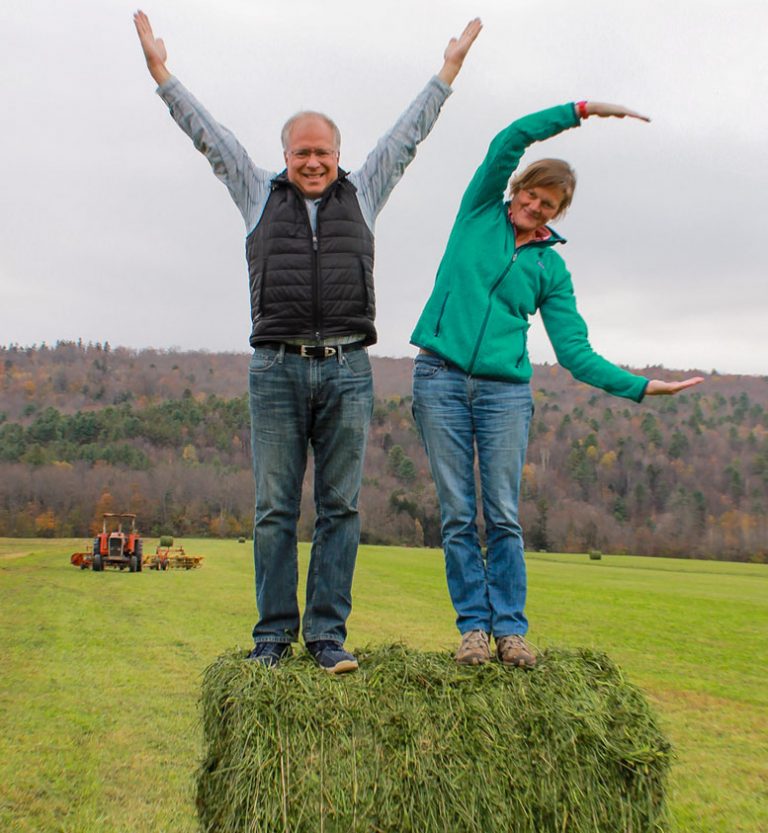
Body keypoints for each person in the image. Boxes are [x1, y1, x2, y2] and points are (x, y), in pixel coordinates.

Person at [133, 10, 482, 673]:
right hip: (276, 371)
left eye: (324, 152)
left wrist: (448, 71)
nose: (314, 162)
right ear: (286, 155)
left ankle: (326, 635)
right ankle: (272, 637)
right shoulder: (255, 192)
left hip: (349, 369)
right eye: (302, 153)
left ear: (339, 156)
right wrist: (161, 74)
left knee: (340, 506)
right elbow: (210, 138)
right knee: (272, 510)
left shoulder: (367, 190)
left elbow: (409, 137)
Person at [410, 99, 704, 669]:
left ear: (557, 214)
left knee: (502, 513)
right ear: (517, 187)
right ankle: (473, 629)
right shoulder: (477, 213)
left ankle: (511, 631)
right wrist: (581, 110)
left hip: (504, 395)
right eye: (530, 193)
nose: (532, 204)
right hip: (439, 380)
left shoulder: (551, 268)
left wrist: (642, 387)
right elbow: (509, 136)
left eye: (547, 203)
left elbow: (575, 353)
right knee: (456, 513)